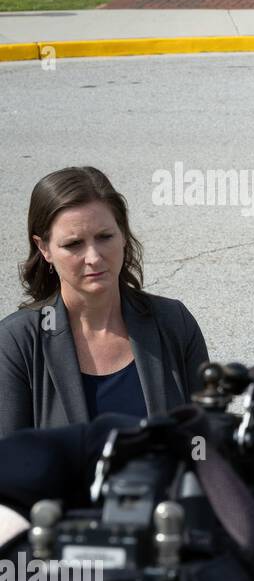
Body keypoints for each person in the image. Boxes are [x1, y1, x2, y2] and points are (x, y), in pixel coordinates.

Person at [0, 166, 210, 439]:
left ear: (123, 234)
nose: (94, 257)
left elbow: (204, 442)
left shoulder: (173, 321)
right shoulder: (17, 342)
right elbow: (8, 465)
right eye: (74, 244)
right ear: (44, 248)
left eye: (104, 237)